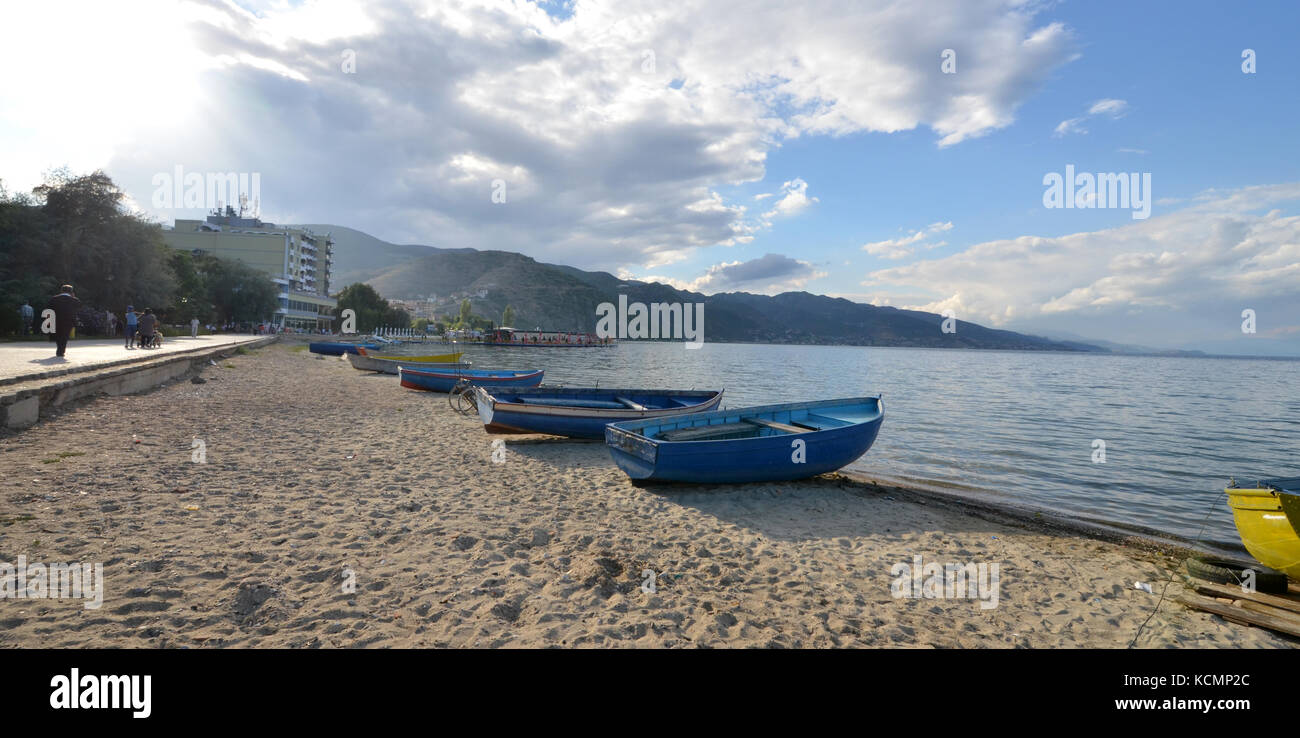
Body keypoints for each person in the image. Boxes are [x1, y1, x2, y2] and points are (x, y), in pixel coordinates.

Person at [46, 285, 80, 358]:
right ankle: (60, 351)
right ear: (71, 292)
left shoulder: (54, 299)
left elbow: (48, 311)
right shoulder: (75, 300)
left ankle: (60, 350)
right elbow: (77, 310)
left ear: (61, 291)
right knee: (65, 336)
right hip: (68, 321)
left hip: (55, 320)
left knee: (58, 335)